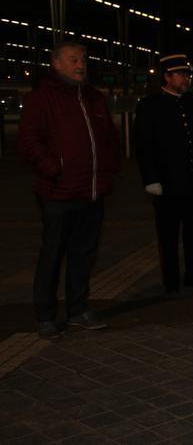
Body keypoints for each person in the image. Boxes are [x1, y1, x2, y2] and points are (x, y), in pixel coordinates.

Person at [18, 41, 120, 339]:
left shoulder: (93, 98)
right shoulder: (42, 99)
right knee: (53, 253)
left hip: (92, 191)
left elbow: (110, 140)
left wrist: (107, 172)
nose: (80, 65)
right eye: (73, 59)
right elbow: (28, 140)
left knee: (84, 254)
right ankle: (45, 314)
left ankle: (78, 309)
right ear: (56, 63)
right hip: (58, 193)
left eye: (83, 60)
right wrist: (54, 168)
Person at [134, 54, 193, 293]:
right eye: (181, 75)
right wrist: (150, 178)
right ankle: (171, 281)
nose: (186, 79)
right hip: (168, 183)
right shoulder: (150, 105)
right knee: (168, 236)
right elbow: (144, 145)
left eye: (187, 74)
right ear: (167, 76)